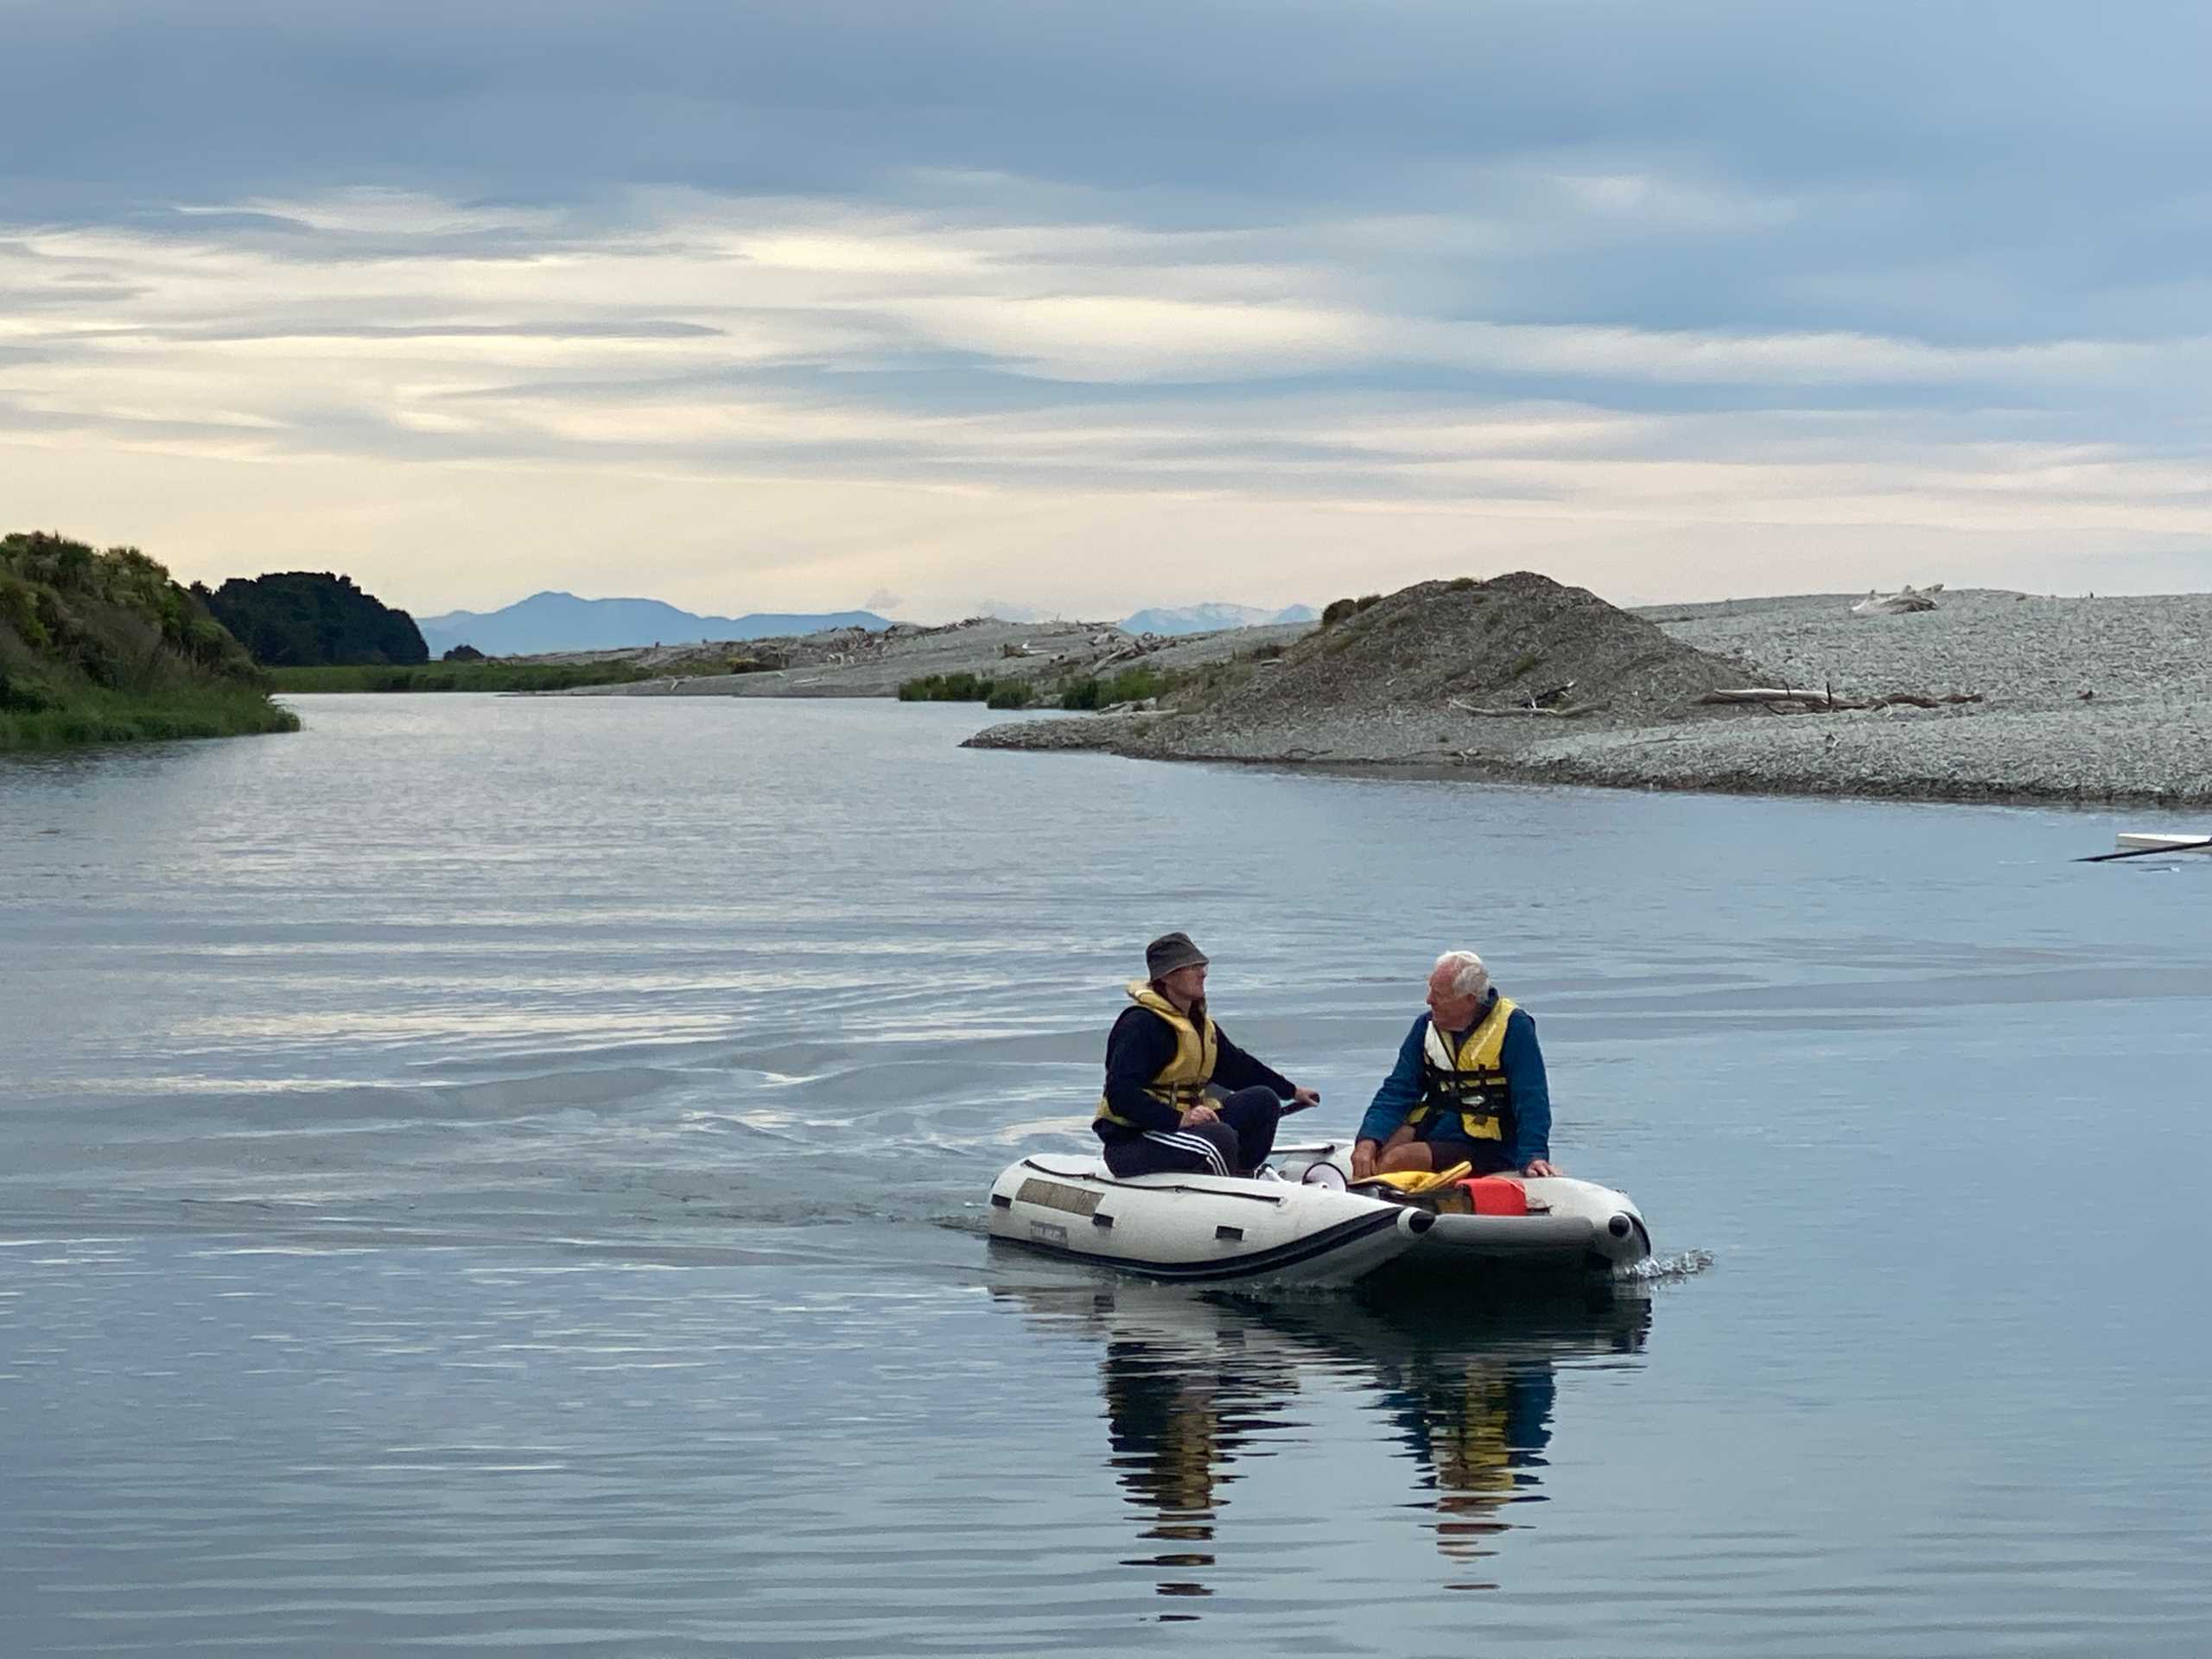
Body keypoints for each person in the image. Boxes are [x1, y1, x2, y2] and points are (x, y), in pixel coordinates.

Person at [1096, 931, 1320, 1178]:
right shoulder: (1140, 1025)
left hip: (1180, 1130)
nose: (1203, 973)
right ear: (1167, 976)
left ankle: (1243, 1178)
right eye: (1192, 967)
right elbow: (1121, 1095)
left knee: (1263, 1101)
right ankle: (1230, 1193)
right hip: (1134, 1142)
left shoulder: (1199, 1024)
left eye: (1202, 965)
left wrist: (1291, 1090)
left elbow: (1238, 1067)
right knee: (1219, 1136)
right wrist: (1180, 1119)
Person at [1351, 950, 1558, 1183]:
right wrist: (1368, 1139)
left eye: (1438, 994)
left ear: (1469, 1000)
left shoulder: (1514, 1027)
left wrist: (1534, 1155)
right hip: (1438, 1127)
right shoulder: (1426, 1026)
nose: (1429, 1000)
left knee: (1398, 1159)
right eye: (1430, 990)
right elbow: (1397, 1090)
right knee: (1376, 1152)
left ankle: (1398, 1204)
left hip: (1491, 1146)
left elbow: (1531, 1097)